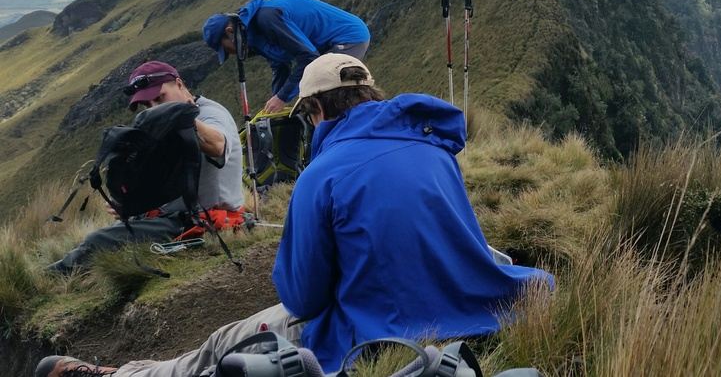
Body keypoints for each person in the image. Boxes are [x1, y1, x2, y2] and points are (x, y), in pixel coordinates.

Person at [37, 54, 552, 377]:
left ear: (316, 111)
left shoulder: (321, 176)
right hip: (469, 306)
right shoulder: (436, 150)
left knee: (227, 343)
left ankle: (122, 375)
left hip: (380, 328)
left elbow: (303, 298)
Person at [47, 61, 244, 275]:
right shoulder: (165, 125)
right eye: (147, 104)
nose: (155, 108)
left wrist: (183, 117)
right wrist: (132, 204)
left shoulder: (210, 113)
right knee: (101, 239)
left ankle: (47, 279)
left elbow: (218, 145)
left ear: (179, 84)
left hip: (204, 221)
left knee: (98, 241)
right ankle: (57, 273)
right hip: (174, 217)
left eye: (160, 98)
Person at [202, 0, 370, 114]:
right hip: (325, 47)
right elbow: (280, 66)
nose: (231, 54)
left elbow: (309, 59)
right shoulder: (253, 36)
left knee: (327, 93)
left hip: (348, 37)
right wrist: (274, 102)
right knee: (317, 99)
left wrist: (282, 98)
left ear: (230, 31)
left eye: (226, 49)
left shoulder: (267, 18)